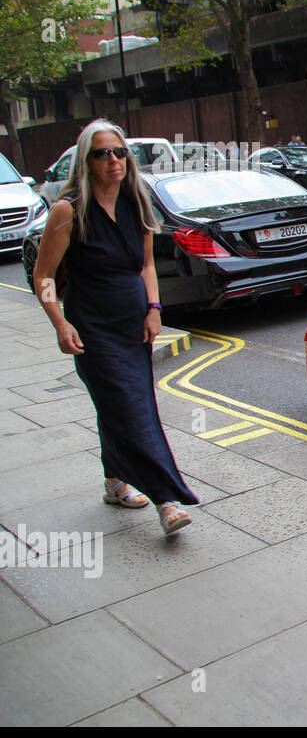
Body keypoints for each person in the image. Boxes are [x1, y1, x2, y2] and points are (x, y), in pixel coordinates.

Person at [32, 120, 199, 535]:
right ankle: (166, 500)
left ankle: (113, 483)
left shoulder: (135, 203)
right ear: (85, 162)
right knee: (131, 410)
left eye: (119, 152)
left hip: (134, 326)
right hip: (93, 329)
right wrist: (60, 322)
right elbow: (45, 275)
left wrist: (155, 308)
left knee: (123, 407)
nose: (113, 160)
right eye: (102, 153)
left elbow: (145, 265)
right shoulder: (67, 210)